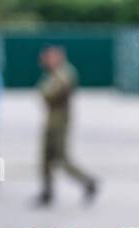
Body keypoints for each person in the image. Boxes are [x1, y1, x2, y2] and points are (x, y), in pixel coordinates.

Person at [35, 46, 97, 206]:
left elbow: (50, 94)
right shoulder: (54, 73)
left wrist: (45, 91)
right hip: (52, 119)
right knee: (45, 158)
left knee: (62, 159)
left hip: (60, 121)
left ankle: (87, 181)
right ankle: (47, 192)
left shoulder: (64, 73)